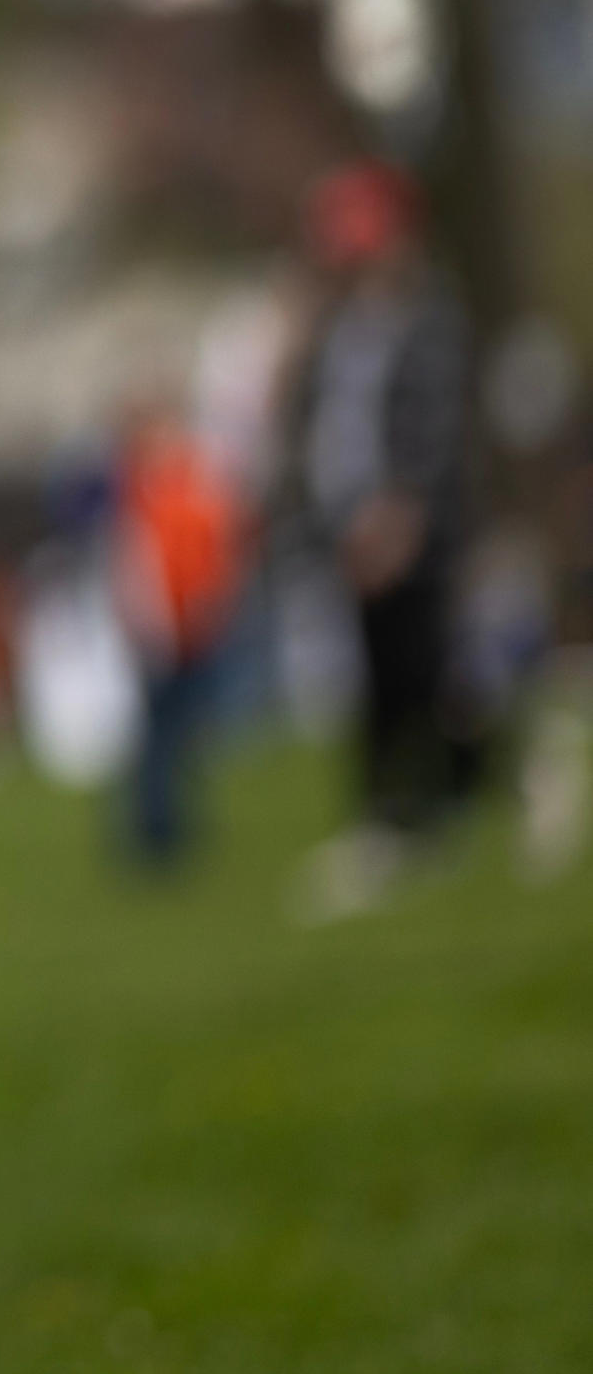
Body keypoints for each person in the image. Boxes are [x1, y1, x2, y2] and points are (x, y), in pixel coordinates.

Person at [287, 158, 478, 911]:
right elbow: (316, 428)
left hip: (409, 528)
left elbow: (432, 430)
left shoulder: (428, 317)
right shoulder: (336, 329)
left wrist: (400, 514)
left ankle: (423, 813)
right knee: (380, 678)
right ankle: (394, 816)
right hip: (349, 525)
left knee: (419, 670)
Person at [105, 387, 247, 872]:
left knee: (187, 731)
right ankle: (154, 829)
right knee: (158, 734)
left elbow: (216, 548)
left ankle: (175, 822)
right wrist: (146, 622)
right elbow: (134, 568)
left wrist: (215, 599)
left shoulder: (193, 484)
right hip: (161, 630)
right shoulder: (139, 494)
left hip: (193, 624)